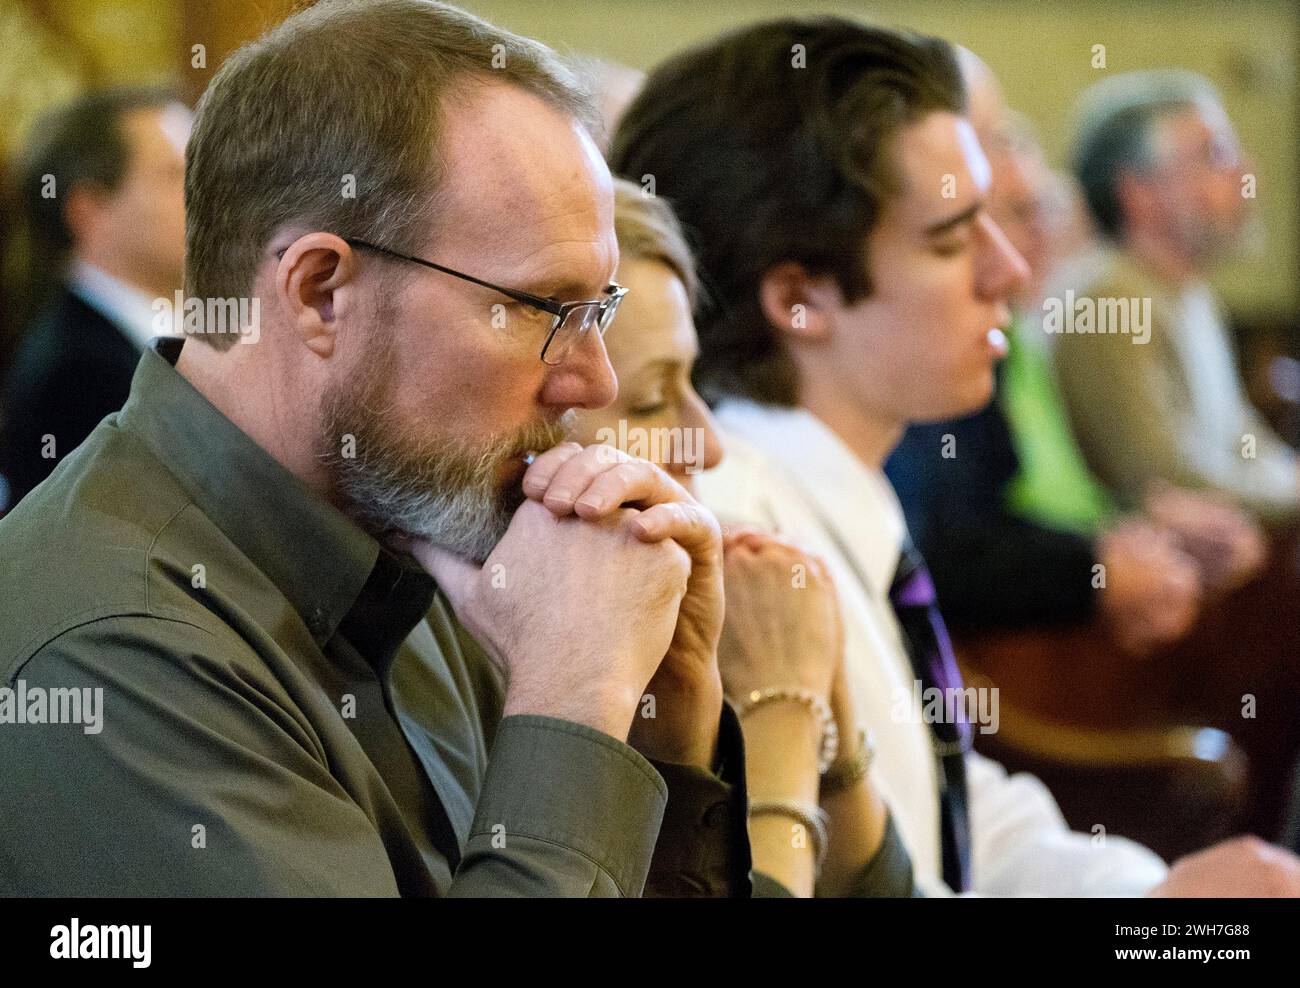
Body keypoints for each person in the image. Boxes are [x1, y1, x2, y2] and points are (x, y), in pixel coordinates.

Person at [0, 0, 760, 897]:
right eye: (542, 311)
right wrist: (574, 702)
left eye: (599, 310)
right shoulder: (112, 652)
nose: (592, 382)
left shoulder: (416, 517)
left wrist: (661, 744)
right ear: (320, 292)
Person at [610, 16, 1300, 895]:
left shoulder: (840, 488)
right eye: (950, 238)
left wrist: (1147, 892)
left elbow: (951, 811)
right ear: (800, 297)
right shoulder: (745, 543)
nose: (1009, 269)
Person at [569, 177, 914, 896]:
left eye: (694, 383)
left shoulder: (701, 595)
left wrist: (834, 729)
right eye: (655, 400)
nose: (709, 444)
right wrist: (783, 716)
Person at [884, 51, 1263, 651]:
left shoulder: (1017, 340)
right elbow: (939, 544)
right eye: (1015, 212)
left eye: (1046, 211)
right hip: (1009, 658)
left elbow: (1058, 499)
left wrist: (1137, 535)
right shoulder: (957, 345)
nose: (1028, 245)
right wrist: (1100, 563)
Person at [1052, 69, 1300, 523]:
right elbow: (1162, 479)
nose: (1247, 173)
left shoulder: (1186, 293)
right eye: (1216, 155)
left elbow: (1241, 443)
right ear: (1140, 193)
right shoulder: (1111, 300)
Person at [0, 86, 190, 509]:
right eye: (174, 174)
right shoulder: (74, 374)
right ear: (89, 211)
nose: (204, 194)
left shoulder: (193, 331)